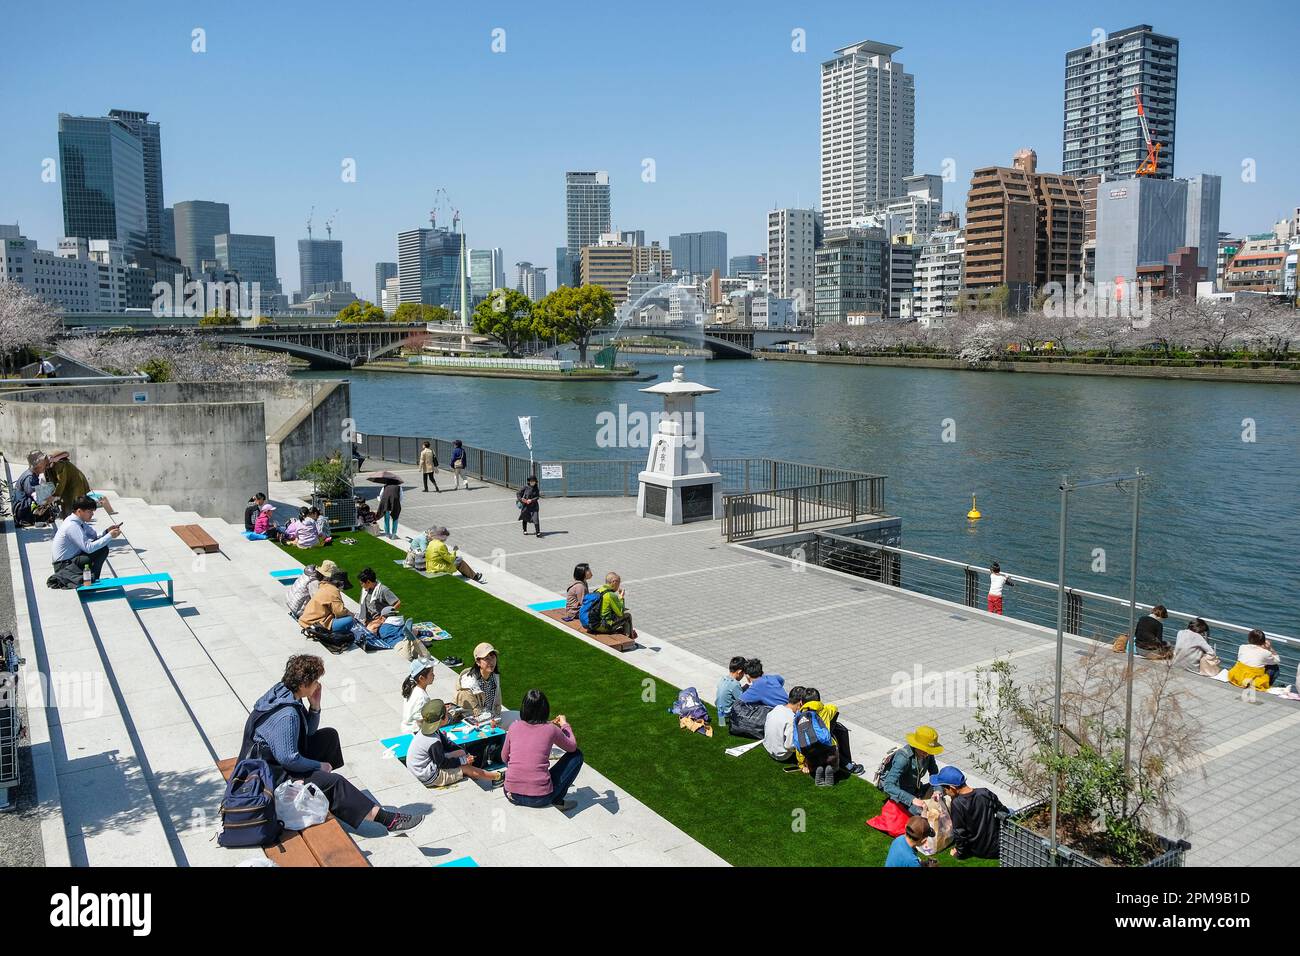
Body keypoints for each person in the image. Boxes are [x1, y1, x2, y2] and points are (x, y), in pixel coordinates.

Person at [241, 654, 423, 832]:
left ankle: (322, 794)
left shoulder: (283, 691)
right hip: (267, 778)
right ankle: (388, 820)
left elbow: (308, 733)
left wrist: (315, 706)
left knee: (329, 737)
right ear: (304, 684)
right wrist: (320, 765)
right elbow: (289, 759)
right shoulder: (287, 714)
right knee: (335, 782)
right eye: (315, 682)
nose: (318, 685)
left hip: (267, 763)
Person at [502, 689, 584, 812]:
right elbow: (572, 747)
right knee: (577, 755)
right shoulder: (551, 729)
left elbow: (504, 757)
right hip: (540, 798)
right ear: (545, 709)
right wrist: (564, 725)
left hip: (511, 793)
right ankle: (558, 801)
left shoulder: (514, 726)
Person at [407, 699, 504, 788]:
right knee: (467, 768)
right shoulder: (433, 742)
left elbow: (447, 744)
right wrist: (463, 761)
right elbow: (443, 763)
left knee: (460, 752)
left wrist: (464, 753)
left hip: (422, 767)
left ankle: (474, 772)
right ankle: (497, 777)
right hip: (429, 776)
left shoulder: (431, 731)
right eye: (446, 713)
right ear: (442, 719)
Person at [929, 766, 1008, 860]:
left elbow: (960, 833)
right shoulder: (985, 792)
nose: (945, 792)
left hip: (979, 851)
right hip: (998, 846)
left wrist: (959, 854)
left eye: (944, 789)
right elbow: (1004, 811)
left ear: (952, 788)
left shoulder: (957, 804)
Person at [48, 495, 122, 586]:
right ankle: (92, 579)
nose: (92, 514)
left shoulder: (78, 521)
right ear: (79, 511)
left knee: (101, 548)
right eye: (89, 511)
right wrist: (110, 536)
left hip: (70, 560)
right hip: (64, 566)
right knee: (102, 550)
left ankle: (91, 578)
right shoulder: (72, 526)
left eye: (92, 511)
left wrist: (106, 532)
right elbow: (88, 548)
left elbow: (94, 535)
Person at [797, 687, 865, 777]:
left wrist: (802, 764)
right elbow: (835, 708)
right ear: (819, 701)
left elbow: (798, 741)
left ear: (801, 703)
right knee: (835, 734)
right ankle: (848, 766)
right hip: (830, 755)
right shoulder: (826, 711)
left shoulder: (798, 718)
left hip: (810, 760)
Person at [880, 726, 943, 815]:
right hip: (901, 793)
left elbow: (934, 773)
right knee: (921, 812)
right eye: (924, 750)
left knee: (945, 787)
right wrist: (912, 799)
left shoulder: (928, 754)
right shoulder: (903, 758)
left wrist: (937, 790)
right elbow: (888, 785)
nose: (927, 754)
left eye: (929, 751)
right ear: (916, 745)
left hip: (916, 788)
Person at [297, 565, 354, 636]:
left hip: (306, 620)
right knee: (350, 620)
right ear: (340, 583)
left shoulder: (324, 586)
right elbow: (339, 612)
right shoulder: (333, 591)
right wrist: (351, 614)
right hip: (315, 624)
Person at [456, 642, 503, 718]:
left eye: (493, 657)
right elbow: (467, 713)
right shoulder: (468, 685)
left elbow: (497, 702)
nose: (491, 662)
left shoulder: (494, 676)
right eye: (487, 659)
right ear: (478, 662)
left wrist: (496, 715)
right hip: (475, 722)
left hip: (492, 718)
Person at [587, 572, 634, 638]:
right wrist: (621, 597)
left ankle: (624, 635)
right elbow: (620, 613)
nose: (618, 586)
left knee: (618, 618)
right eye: (619, 583)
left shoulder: (599, 590)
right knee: (627, 616)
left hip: (592, 623)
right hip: (602, 626)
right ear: (614, 582)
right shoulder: (610, 595)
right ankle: (630, 640)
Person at [12, 450, 51, 527]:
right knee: (45, 496)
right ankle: (30, 520)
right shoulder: (29, 477)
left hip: (23, 507)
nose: (46, 466)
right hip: (21, 511)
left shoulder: (32, 474)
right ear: (37, 465)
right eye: (44, 464)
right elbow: (36, 497)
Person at [46, 451, 90, 518]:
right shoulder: (49, 467)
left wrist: (55, 495)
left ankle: (76, 521)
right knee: (66, 503)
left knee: (74, 504)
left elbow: (61, 481)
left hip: (76, 483)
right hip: (69, 484)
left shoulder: (59, 464)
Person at [762, 688, 800, 764]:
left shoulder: (777, 708)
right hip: (783, 755)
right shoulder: (792, 718)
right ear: (800, 703)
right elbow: (789, 746)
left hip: (769, 748)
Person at [400, 658, 437, 734]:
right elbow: (420, 721)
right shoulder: (422, 697)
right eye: (431, 673)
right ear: (421, 678)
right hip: (414, 733)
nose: (434, 675)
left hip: (406, 729)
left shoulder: (412, 687)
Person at [715, 656, 748, 725]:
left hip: (720, 709)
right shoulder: (735, 684)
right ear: (739, 672)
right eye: (743, 674)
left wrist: (743, 688)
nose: (743, 676)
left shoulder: (723, 679)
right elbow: (742, 700)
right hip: (728, 712)